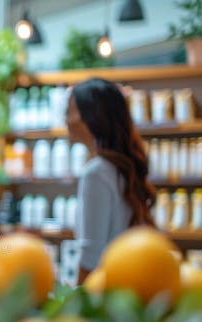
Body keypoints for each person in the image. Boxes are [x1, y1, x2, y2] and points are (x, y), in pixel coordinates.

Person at [66, 78, 156, 283]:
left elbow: (90, 259)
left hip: (105, 290)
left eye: (70, 110)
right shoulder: (120, 167)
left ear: (91, 116)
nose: (66, 119)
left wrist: (78, 299)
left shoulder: (96, 173)